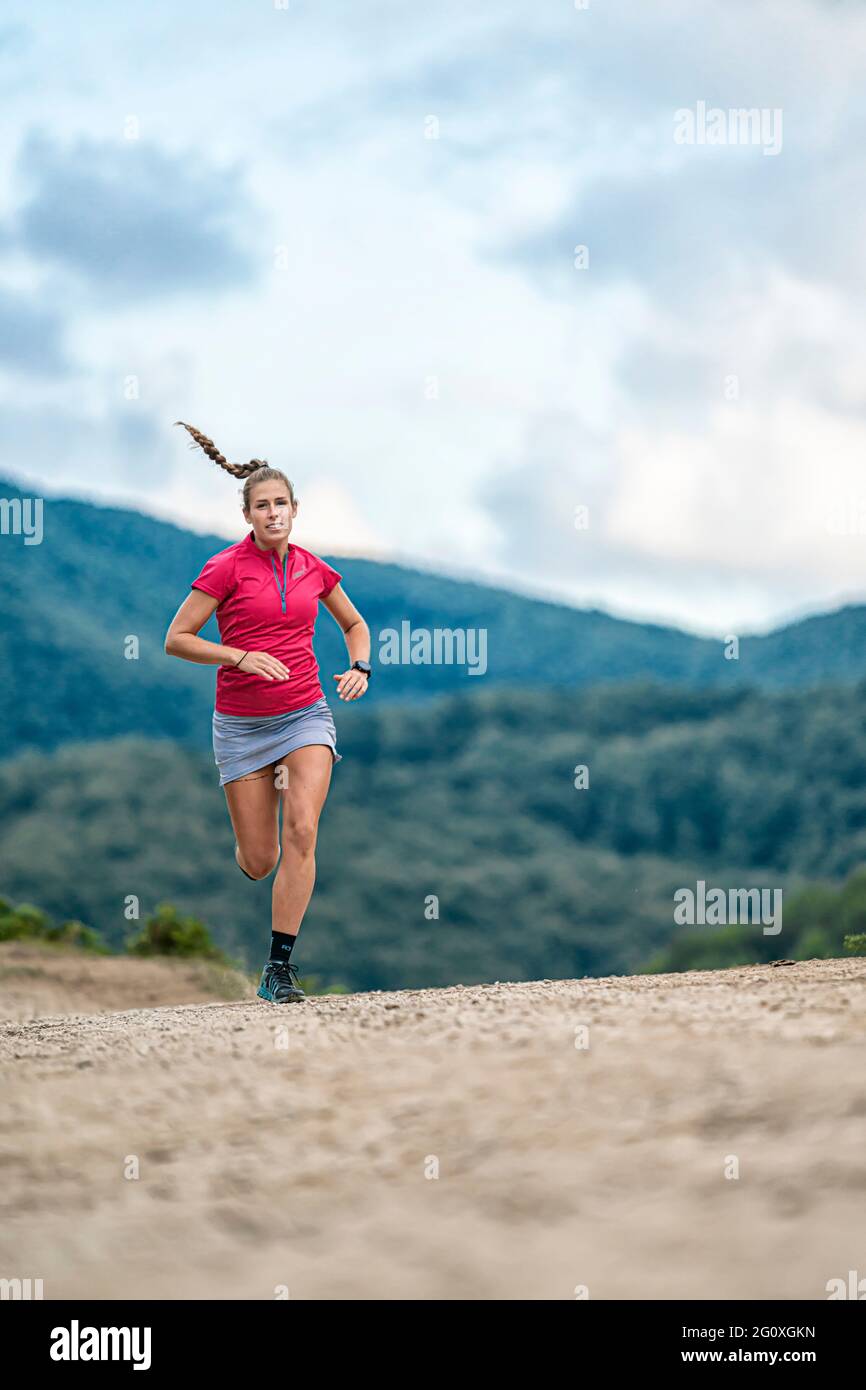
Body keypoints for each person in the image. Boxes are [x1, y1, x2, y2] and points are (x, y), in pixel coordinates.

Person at [164, 422, 372, 1003]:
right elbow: (177, 638)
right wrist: (239, 655)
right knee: (261, 859)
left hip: (305, 712)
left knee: (303, 829)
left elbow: (354, 624)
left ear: (295, 509)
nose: (273, 513)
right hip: (241, 726)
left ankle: (278, 969)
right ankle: (255, 835)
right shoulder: (225, 568)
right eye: (262, 506)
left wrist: (360, 667)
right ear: (248, 514)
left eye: (281, 503)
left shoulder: (313, 568)